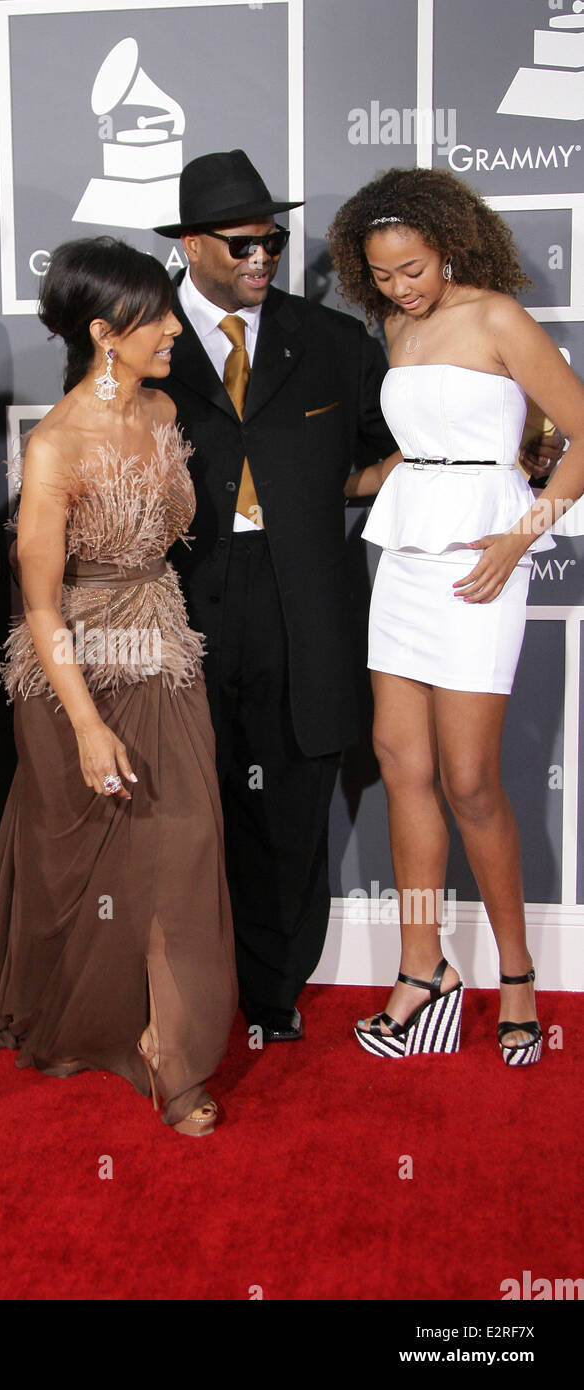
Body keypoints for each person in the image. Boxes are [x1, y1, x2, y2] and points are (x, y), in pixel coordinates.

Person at [0, 237, 237, 1135]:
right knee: (77, 868)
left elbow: (176, 533)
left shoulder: (164, 412)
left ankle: (171, 1047)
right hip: (73, 675)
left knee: (184, 847)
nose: (173, 326)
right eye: (156, 315)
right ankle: (81, 1015)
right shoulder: (54, 446)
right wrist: (86, 725)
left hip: (164, 653)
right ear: (103, 332)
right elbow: (39, 605)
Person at [326, 166, 584, 1063]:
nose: (401, 287)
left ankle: (518, 974)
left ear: (449, 244)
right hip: (404, 558)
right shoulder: (394, 327)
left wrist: (523, 537)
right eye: (385, 274)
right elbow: (413, 452)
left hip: (484, 557)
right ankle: (423, 967)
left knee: (471, 780)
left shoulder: (500, 318)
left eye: (415, 267)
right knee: (403, 767)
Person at [151, 150, 395, 1044]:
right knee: (186, 800)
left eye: (275, 241)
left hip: (304, 598)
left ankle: (274, 990)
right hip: (179, 603)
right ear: (189, 244)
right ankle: (186, 991)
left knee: (291, 797)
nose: (264, 257)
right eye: (243, 242)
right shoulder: (143, 341)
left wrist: (333, 487)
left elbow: (385, 448)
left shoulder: (331, 344)